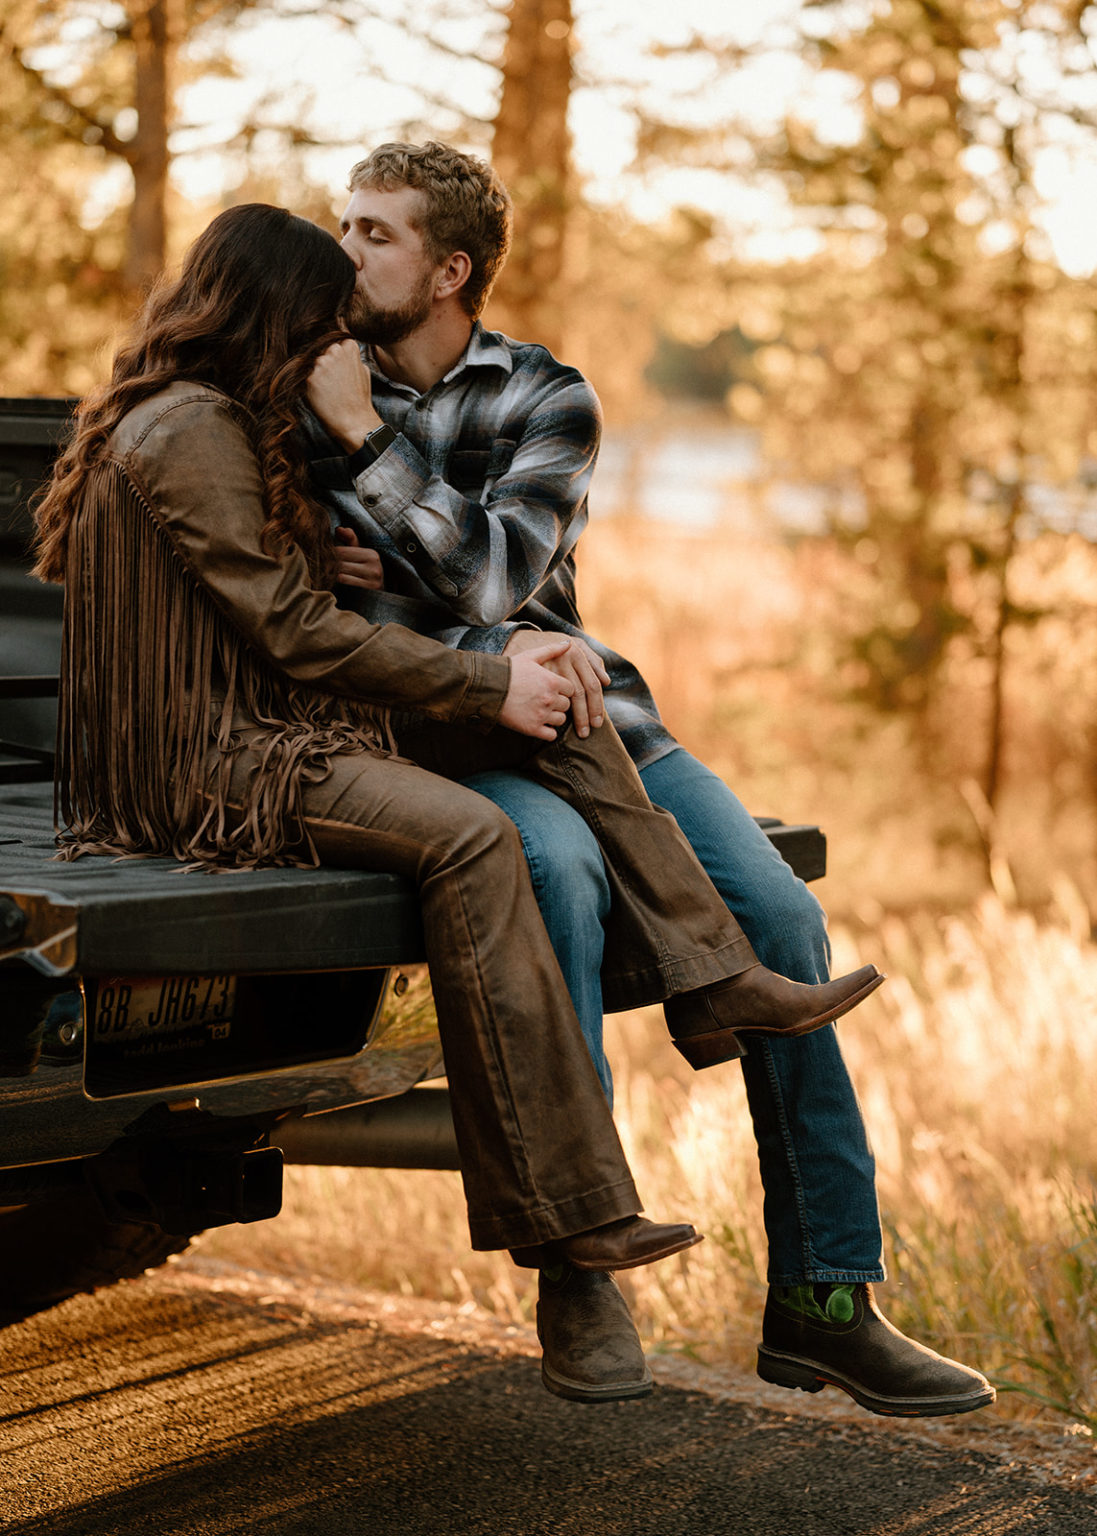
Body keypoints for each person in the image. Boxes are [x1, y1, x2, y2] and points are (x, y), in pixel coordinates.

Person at [32, 203, 885, 1405]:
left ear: (451, 270)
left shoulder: (300, 414)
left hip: (290, 716)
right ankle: (570, 1220)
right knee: (478, 832)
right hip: (224, 760)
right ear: (269, 310)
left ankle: (711, 974)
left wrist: (491, 655)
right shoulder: (188, 429)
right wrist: (477, 678)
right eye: (320, 319)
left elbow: (369, 588)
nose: (340, 346)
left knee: (562, 682)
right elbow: (287, 627)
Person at [300, 141, 996, 1419]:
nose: (344, 252)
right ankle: (581, 1270)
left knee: (780, 920)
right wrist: (375, 507)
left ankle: (825, 1304)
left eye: (374, 234)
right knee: (551, 874)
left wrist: (373, 483)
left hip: (590, 718)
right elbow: (304, 596)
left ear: (451, 269)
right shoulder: (303, 389)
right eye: (342, 224)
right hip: (430, 742)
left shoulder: (543, 396)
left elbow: (498, 581)